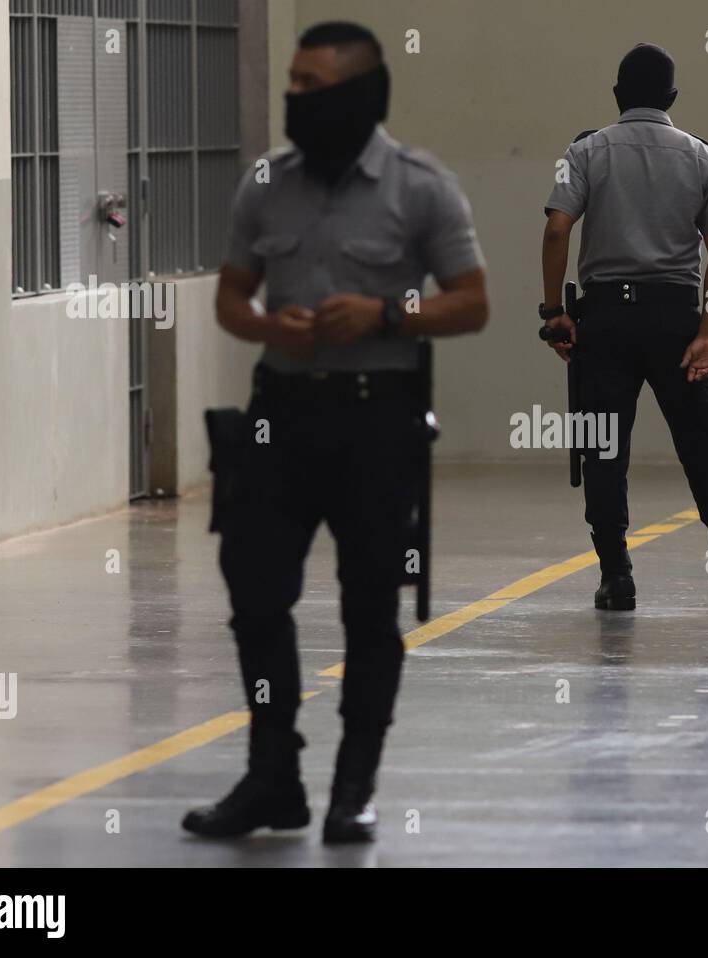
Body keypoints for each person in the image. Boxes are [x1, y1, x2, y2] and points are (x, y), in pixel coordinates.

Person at [183, 22, 488, 844]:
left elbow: (471, 301)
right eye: (291, 82)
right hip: (279, 412)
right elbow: (230, 298)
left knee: (367, 607)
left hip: (375, 419)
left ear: (358, 91)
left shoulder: (421, 187)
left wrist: (389, 312)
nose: (294, 98)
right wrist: (264, 327)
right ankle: (271, 776)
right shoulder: (265, 186)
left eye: (312, 85)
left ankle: (354, 786)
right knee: (254, 598)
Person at [540, 42, 708, 609]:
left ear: (616, 97)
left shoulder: (585, 152)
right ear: (673, 98)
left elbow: (557, 230)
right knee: (702, 445)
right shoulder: (702, 157)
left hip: (605, 318)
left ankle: (617, 577)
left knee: (604, 449)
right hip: (677, 319)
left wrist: (553, 313)